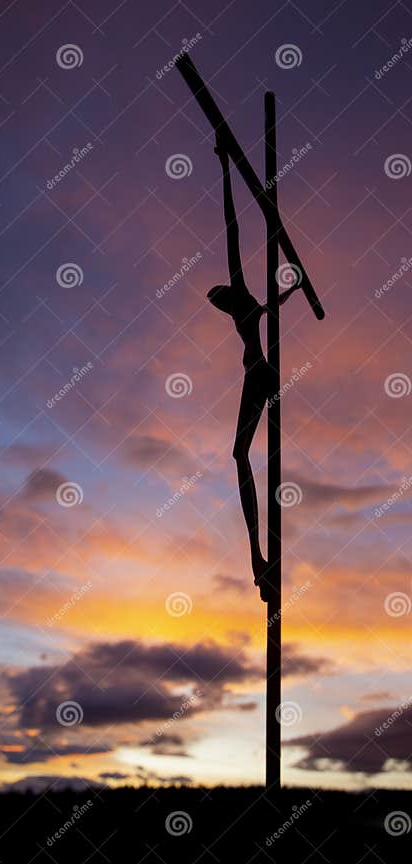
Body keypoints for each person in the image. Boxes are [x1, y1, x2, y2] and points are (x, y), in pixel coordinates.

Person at [207, 141, 299, 601]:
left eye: (218, 293)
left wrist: (225, 167)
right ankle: (259, 558)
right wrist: (287, 292)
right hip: (260, 373)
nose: (219, 298)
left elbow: (233, 227)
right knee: (241, 456)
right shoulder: (251, 309)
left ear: (227, 291)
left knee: (241, 456)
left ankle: (257, 556)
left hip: (260, 372)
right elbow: (273, 306)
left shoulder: (243, 295)